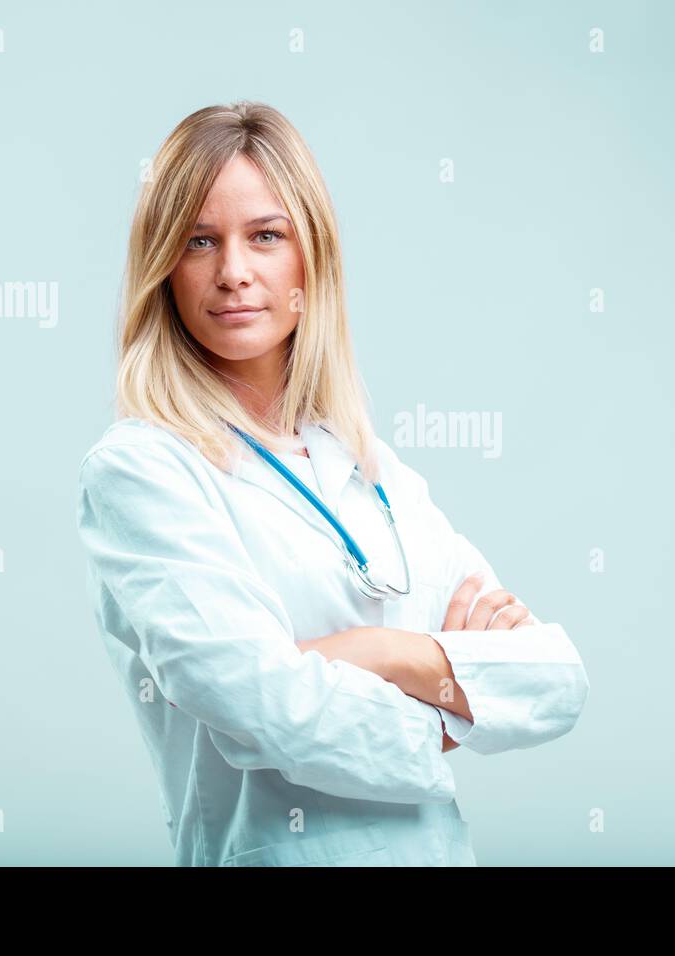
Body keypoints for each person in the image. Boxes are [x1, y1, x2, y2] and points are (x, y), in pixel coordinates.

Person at [75, 101, 590, 866]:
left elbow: (555, 680)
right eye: (199, 241)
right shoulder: (145, 469)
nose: (234, 273)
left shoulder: (372, 469)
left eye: (266, 236)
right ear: (165, 271)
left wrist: (376, 650)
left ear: (310, 261)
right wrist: (454, 694)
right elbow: (260, 706)